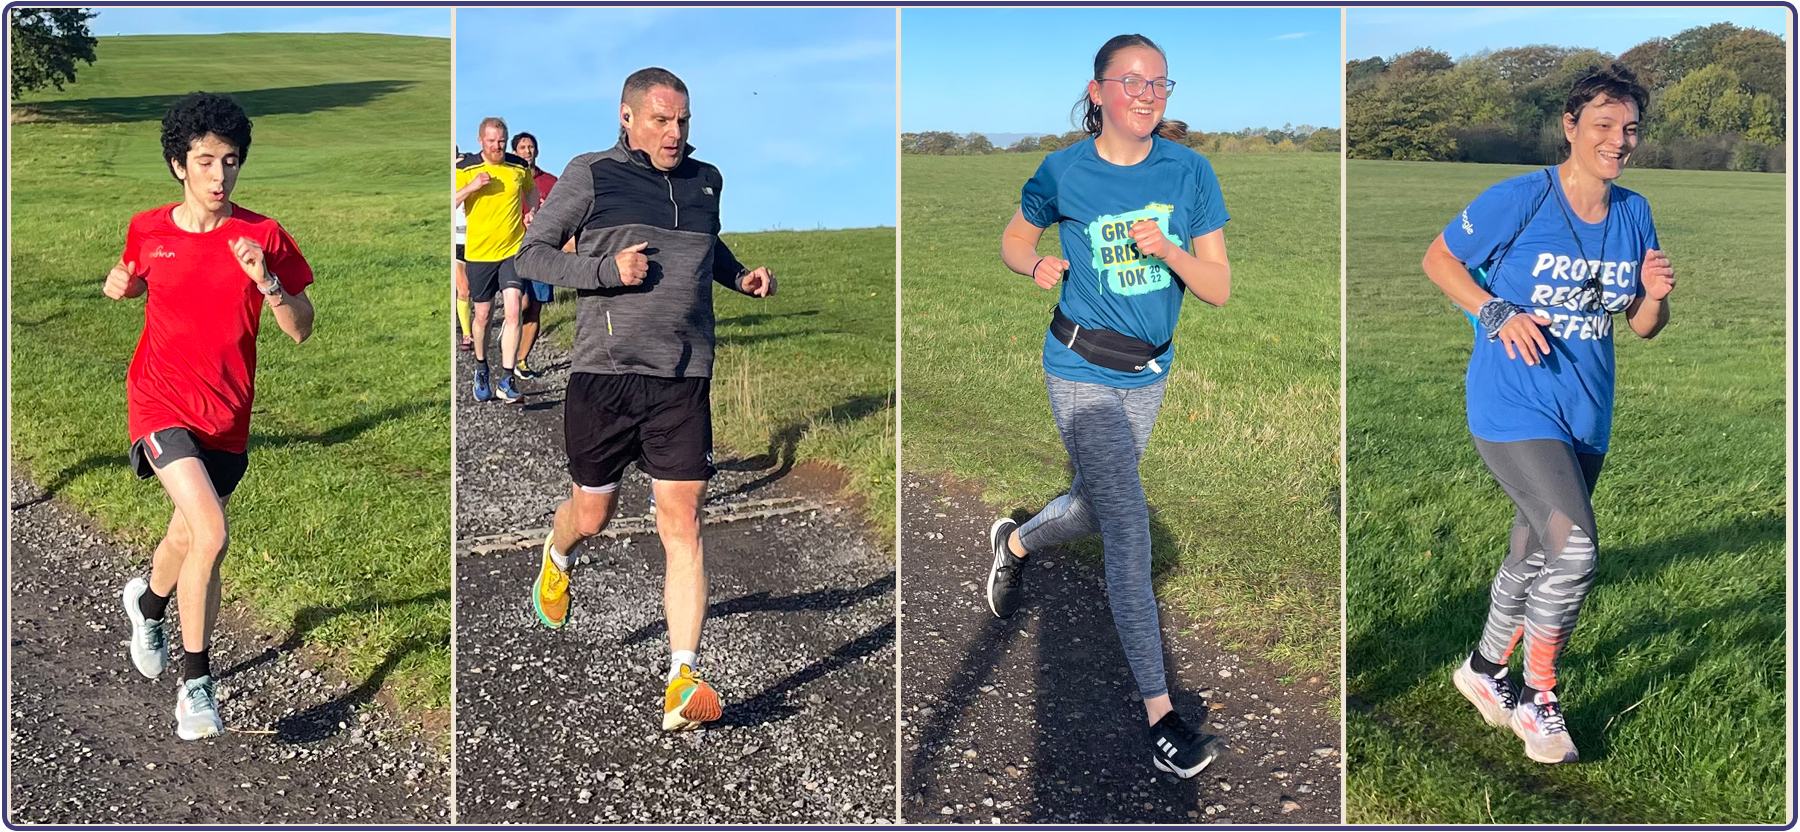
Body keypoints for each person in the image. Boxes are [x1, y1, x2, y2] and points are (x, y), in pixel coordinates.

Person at [986, 34, 1230, 779]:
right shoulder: (1063, 171)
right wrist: (1036, 262)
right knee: (1127, 524)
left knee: (1095, 504)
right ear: (1098, 92)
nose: (1149, 94)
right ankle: (1162, 720)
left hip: (1149, 374)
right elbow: (1013, 238)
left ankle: (1016, 544)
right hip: (1079, 364)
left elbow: (1217, 288)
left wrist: (1170, 252)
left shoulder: (1190, 172)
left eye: (1160, 83)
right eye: (1133, 82)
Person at [1425, 63, 1674, 765]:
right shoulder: (1521, 199)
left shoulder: (1634, 211)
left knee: (1533, 553)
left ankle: (1482, 669)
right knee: (1575, 549)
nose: (1617, 140)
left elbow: (1643, 325)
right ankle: (1537, 696)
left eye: (1629, 129)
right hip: (1514, 405)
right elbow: (1440, 259)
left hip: (1587, 412)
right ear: (1570, 126)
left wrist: (1653, 294)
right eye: (1602, 125)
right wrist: (1494, 309)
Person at [514, 67, 776, 731]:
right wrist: (606, 271)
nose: (675, 132)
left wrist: (739, 275)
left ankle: (681, 680)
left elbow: (704, 244)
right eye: (661, 119)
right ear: (627, 116)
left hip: (683, 378)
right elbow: (532, 257)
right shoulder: (592, 173)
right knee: (593, 515)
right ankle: (557, 553)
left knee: (682, 524)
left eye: (683, 120)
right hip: (605, 375)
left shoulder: (705, 178)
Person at [105, 92, 316, 740]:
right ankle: (197, 687)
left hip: (227, 414)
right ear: (178, 165)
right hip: (159, 401)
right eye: (204, 161)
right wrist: (123, 282)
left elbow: (302, 329)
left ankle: (147, 603)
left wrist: (270, 285)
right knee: (212, 533)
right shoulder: (149, 227)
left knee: (186, 539)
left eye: (230, 161)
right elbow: (136, 271)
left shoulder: (263, 236)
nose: (219, 176)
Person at [454, 117, 536, 403]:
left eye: (502, 140)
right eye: (492, 141)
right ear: (480, 140)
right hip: (479, 253)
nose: (497, 146)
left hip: (512, 250)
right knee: (483, 315)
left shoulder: (518, 166)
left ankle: (507, 378)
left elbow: (531, 189)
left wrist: (531, 210)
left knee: (514, 309)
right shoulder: (465, 168)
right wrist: (471, 187)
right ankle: (480, 369)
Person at [511, 131, 559, 379]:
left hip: (543, 250)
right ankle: (508, 343)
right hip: (516, 249)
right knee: (522, 302)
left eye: (531, 147)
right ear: (515, 152)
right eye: (522, 147)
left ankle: (522, 360)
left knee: (535, 306)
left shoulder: (550, 182)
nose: (527, 151)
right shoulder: (510, 178)